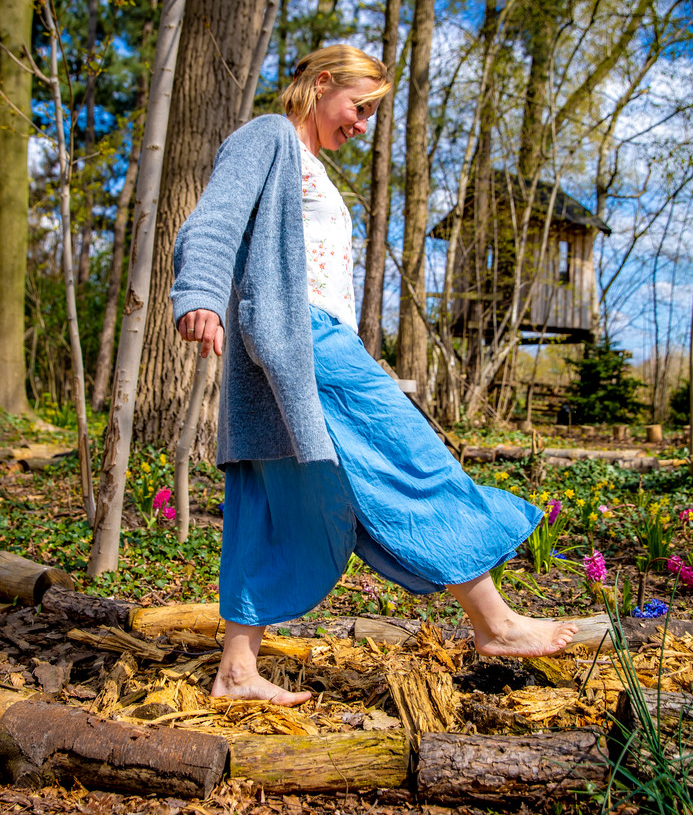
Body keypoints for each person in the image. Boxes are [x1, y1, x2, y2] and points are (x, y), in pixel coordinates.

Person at [171, 45, 577, 706]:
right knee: (415, 461)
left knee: (270, 503)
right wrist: (199, 292)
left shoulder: (312, 166)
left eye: (371, 115)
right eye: (359, 107)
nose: (362, 124)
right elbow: (212, 218)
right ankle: (497, 625)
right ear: (321, 82)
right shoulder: (269, 136)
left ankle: (236, 671)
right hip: (302, 340)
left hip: (305, 345)